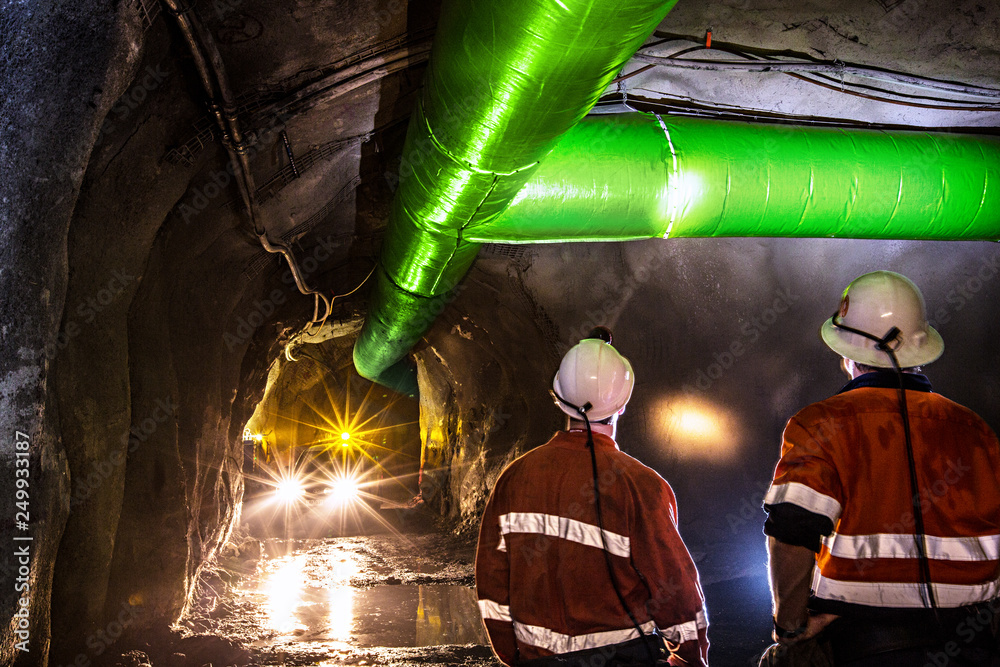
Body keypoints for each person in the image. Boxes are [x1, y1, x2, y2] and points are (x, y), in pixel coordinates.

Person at [762, 270, 1000, 665]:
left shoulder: (819, 423)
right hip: (975, 643)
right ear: (920, 348)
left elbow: (791, 528)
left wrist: (791, 626)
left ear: (847, 354)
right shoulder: (977, 431)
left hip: (860, 645)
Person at [476, 328, 709, 666]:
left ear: (558, 398)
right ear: (622, 404)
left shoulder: (514, 478)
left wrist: (513, 654)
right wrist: (688, 657)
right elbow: (676, 591)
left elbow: (492, 580)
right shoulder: (641, 486)